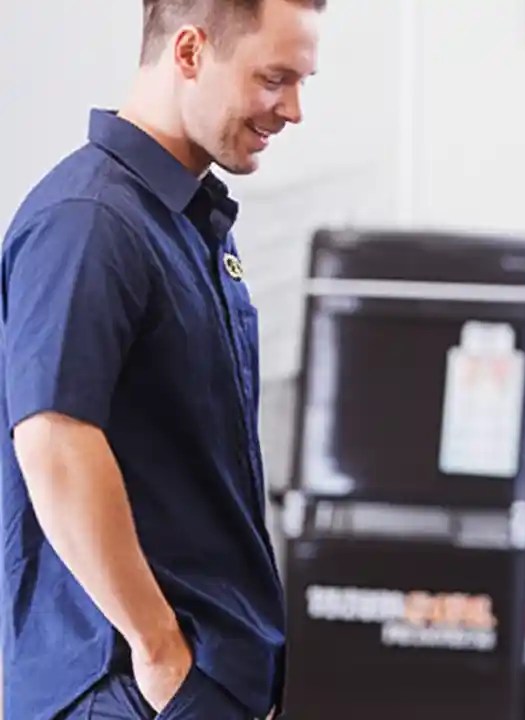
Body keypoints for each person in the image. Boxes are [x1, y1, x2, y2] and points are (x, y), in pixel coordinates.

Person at [0, 1, 323, 717]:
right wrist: (161, 654)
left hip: (194, 680)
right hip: (122, 688)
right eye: (275, 78)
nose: (293, 109)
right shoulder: (89, 222)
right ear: (188, 53)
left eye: (302, 82)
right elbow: (53, 440)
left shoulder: (187, 221)